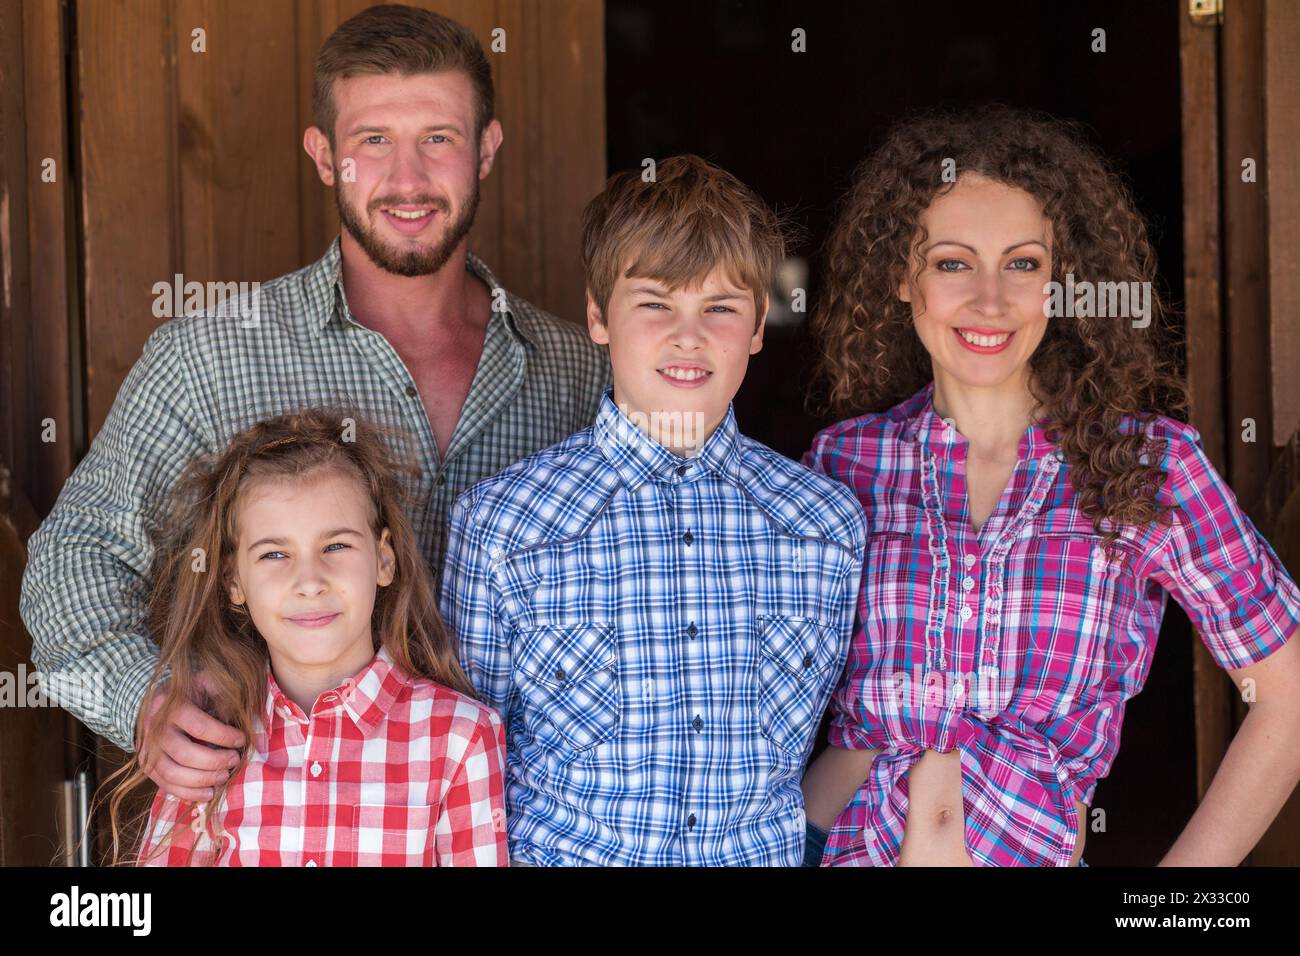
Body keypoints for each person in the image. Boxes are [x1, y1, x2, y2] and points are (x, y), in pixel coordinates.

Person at [20, 4, 609, 806]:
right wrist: (142, 699)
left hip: (533, 830)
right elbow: (74, 556)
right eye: (373, 142)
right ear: (325, 156)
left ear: (486, 149)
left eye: (438, 138)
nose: (408, 180)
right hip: (285, 822)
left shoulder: (581, 373)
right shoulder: (207, 361)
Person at [800, 105, 1300, 867]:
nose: (990, 300)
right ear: (904, 278)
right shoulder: (844, 464)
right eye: (953, 263)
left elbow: (1287, 697)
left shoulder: (1147, 466)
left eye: (1024, 264)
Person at [440, 155, 866, 865]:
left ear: (759, 325)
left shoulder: (826, 525)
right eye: (655, 303)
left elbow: (852, 739)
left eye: (721, 308)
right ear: (598, 316)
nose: (688, 335)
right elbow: (461, 767)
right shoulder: (503, 525)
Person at [102, 409, 507, 866]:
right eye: (275, 554)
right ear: (234, 581)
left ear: (384, 559)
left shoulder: (459, 737)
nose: (310, 580)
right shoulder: (209, 736)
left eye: (336, 546)